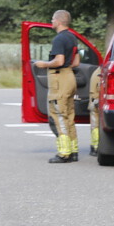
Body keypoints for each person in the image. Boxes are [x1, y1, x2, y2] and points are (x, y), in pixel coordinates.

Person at [33, 10, 82, 164]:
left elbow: (59, 61)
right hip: (70, 77)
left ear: (59, 21)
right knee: (69, 115)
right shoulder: (73, 37)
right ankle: (73, 150)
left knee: (58, 115)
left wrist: (44, 64)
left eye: (53, 19)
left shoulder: (59, 39)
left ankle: (64, 153)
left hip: (59, 78)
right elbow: (76, 62)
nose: (51, 21)